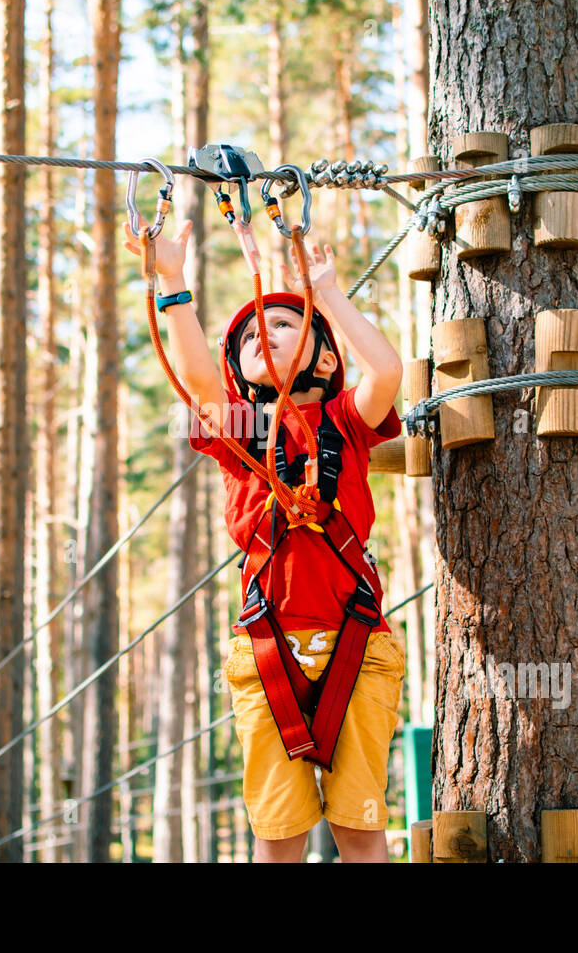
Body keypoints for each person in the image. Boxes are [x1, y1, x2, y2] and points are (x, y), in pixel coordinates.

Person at [124, 215, 406, 863]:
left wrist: (327, 293)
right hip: (267, 644)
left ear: (327, 357)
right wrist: (173, 280)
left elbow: (385, 371)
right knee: (277, 833)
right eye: (250, 333)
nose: (264, 333)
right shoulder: (241, 433)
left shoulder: (343, 420)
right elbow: (198, 380)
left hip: (357, 641)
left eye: (282, 323)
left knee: (360, 829)